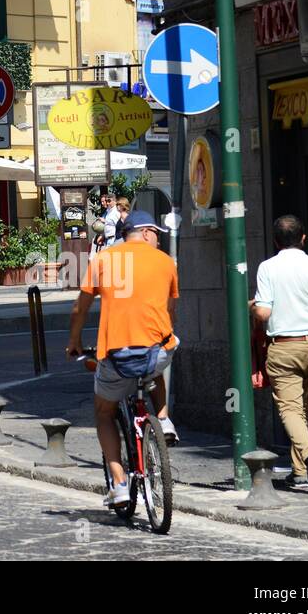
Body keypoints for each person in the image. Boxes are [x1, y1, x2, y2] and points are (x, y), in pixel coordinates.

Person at [65, 209, 180, 508]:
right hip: (156, 352)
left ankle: (118, 483)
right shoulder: (167, 263)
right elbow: (170, 311)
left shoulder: (102, 260)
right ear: (144, 233)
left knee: (104, 412)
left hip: (117, 355)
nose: (158, 239)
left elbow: (80, 308)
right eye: (155, 234)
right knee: (164, 353)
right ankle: (164, 420)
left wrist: (74, 342)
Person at [251, 214, 308, 493]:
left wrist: (252, 307)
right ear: (304, 238)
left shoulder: (268, 268)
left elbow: (263, 311)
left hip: (284, 345)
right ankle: (300, 471)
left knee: (289, 408)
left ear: (275, 241)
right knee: (307, 407)